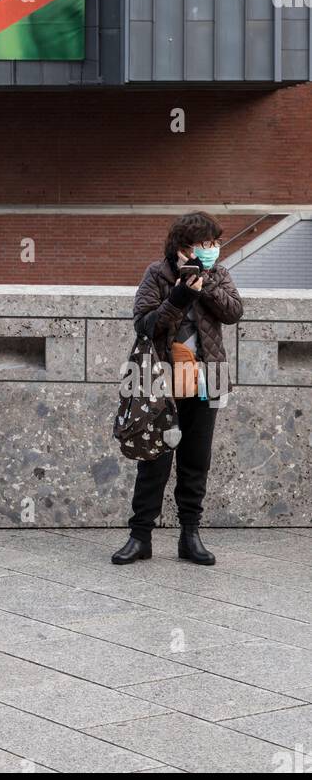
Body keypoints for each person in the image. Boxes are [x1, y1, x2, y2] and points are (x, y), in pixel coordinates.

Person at [113, 211, 243, 568]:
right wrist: (182, 295)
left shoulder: (218, 273)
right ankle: (140, 536)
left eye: (216, 242)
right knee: (154, 459)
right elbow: (145, 325)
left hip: (208, 378)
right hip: (161, 380)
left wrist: (205, 282)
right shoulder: (157, 274)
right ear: (184, 245)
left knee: (195, 460)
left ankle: (191, 537)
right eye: (206, 243)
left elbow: (234, 312)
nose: (214, 248)